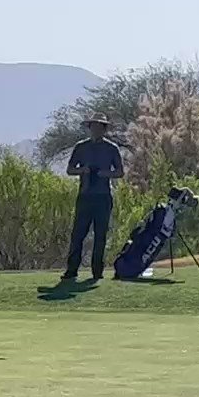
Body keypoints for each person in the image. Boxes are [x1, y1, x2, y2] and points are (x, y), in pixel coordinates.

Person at [62, 112, 124, 281]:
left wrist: (105, 173)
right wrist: (84, 170)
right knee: (78, 234)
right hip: (85, 195)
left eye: (99, 126)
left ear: (104, 129)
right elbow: (70, 169)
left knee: (100, 235)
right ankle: (71, 270)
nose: (96, 129)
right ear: (89, 128)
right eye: (93, 126)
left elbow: (119, 172)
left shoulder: (111, 148)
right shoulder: (81, 147)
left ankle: (97, 272)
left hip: (103, 197)